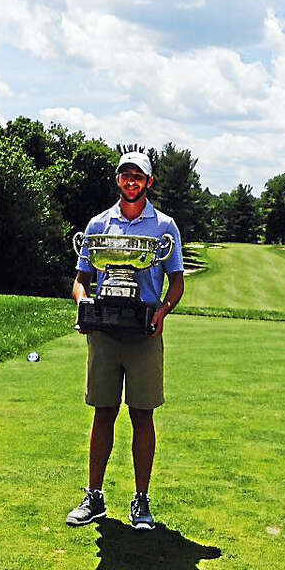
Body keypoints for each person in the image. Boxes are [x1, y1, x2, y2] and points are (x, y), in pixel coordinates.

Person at [67, 150, 185, 530]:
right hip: (104, 332)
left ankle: (141, 501)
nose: (131, 181)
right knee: (103, 413)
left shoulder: (164, 227)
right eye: (125, 175)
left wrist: (162, 311)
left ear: (148, 182)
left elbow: (177, 281)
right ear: (117, 180)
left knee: (142, 415)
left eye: (138, 176)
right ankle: (95, 497)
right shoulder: (100, 224)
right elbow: (82, 280)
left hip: (144, 332)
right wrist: (84, 306)